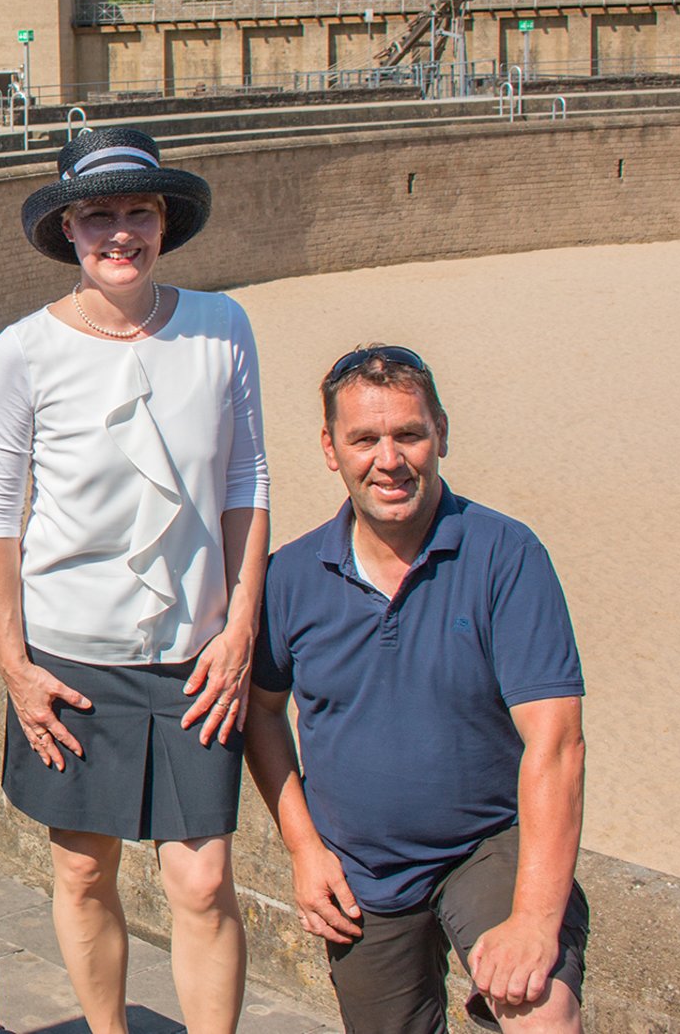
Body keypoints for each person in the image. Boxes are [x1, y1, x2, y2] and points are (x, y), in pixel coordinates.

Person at [0, 126, 269, 1034]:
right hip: (71, 658)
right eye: (98, 214)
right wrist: (15, 667)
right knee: (81, 869)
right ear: (68, 228)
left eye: (138, 211)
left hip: (197, 656)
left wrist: (241, 628)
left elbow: (248, 483)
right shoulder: (24, 350)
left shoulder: (223, 327)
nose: (121, 232)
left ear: (164, 221)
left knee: (204, 879)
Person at [246, 347, 587, 1034]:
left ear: (442, 434)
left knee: (539, 1006)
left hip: (488, 843)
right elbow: (261, 710)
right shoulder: (289, 577)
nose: (389, 460)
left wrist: (533, 921)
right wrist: (305, 849)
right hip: (361, 870)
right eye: (364, 439)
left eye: (409, 434)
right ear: (330, 449)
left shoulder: (506, 555)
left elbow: (556, 744)